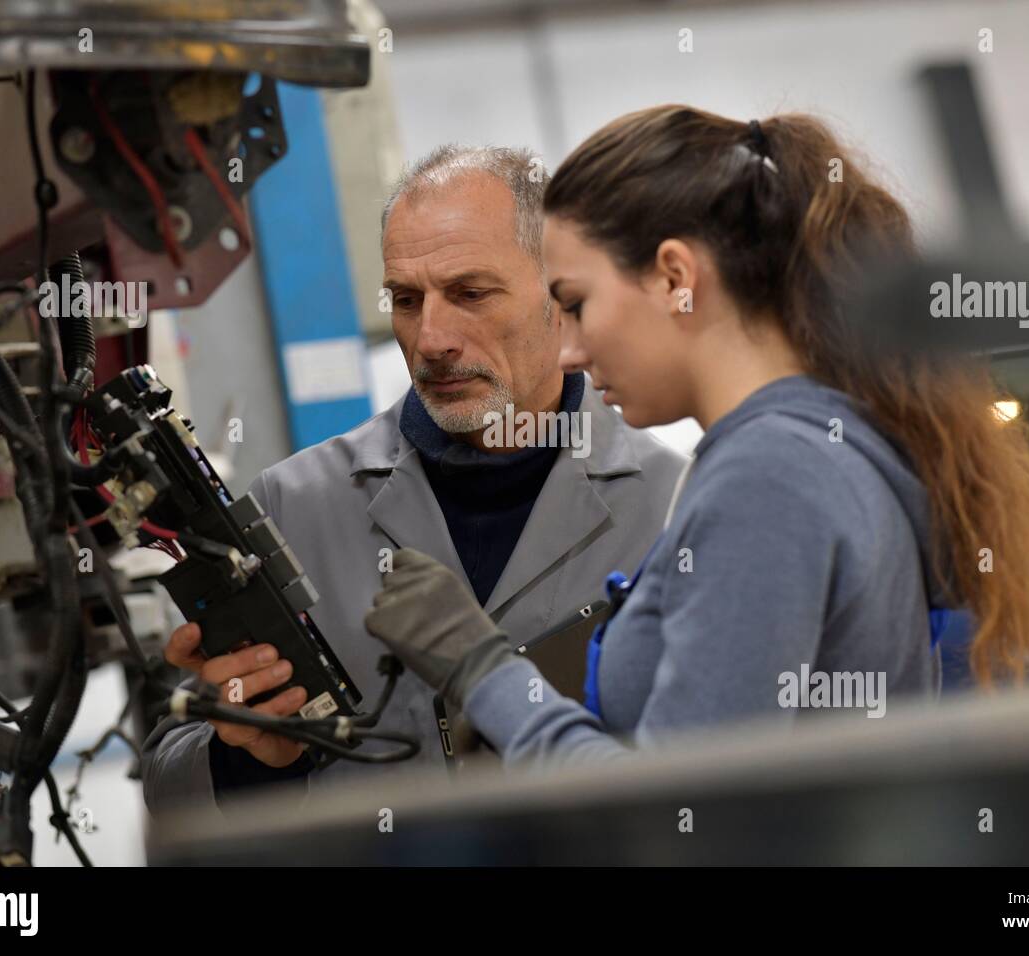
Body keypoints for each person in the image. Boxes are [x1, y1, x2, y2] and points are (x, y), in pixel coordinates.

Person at [365, 106, 1029, 770]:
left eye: (578, 304)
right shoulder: (819, 445)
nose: (570, 352)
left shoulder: (769, 477)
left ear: (676, 277)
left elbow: (682, 813)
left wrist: (484, 672)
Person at [140, 145, 687, 809]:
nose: (431, 338)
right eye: (405, 299)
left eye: (469, 293)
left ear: (558, 294)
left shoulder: (672, 509)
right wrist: (249, 756)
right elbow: (169, 793)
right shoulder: (291, 507)